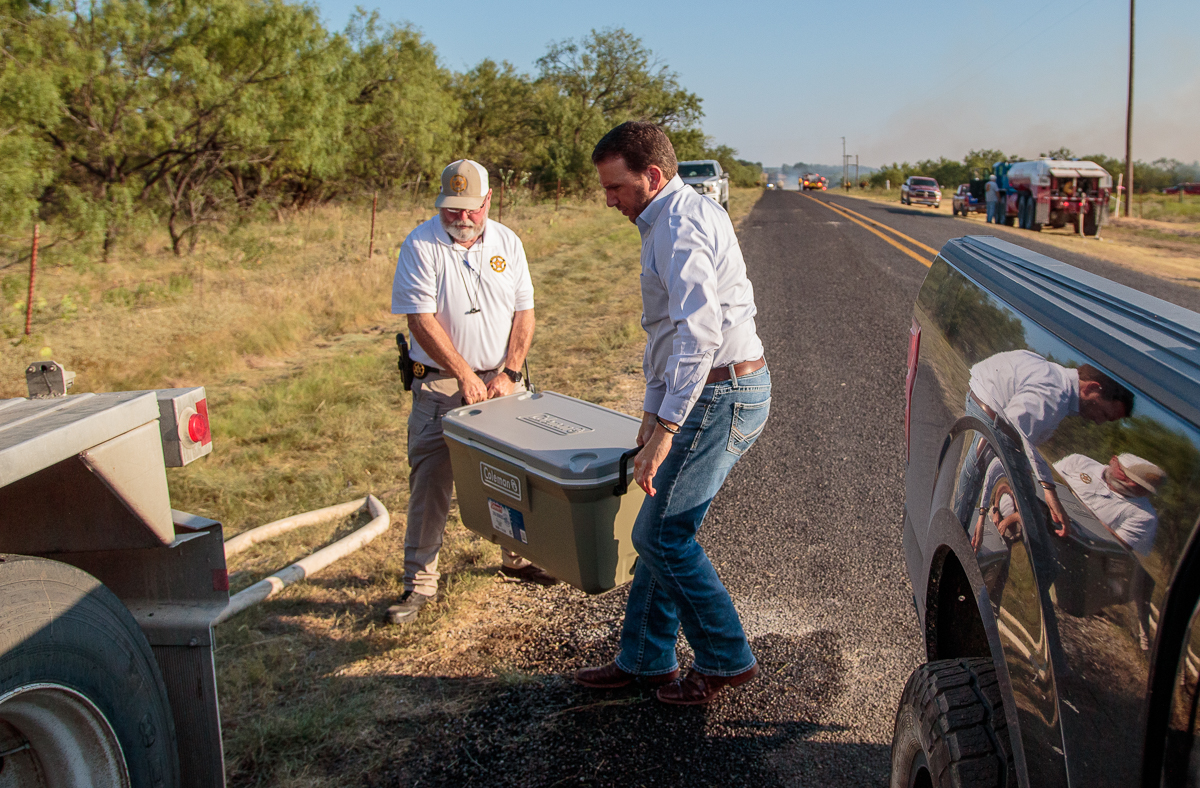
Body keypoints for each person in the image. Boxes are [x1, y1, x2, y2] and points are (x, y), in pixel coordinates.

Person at [574, 121, 770, 705]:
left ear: (652, 176)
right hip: (712, 389)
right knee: (660, 531)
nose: (608, 200)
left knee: (661, 537)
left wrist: (663, 429)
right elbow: (666, 330)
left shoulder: (679, 226)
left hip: (722, 393)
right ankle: (644, 661)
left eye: (615, 187)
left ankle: (724, 659)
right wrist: (650, 409)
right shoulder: (668, 216)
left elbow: (697, 337)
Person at [387, 159, 555, 626]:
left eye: (470, 210)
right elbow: (420, 318)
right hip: (441, 383)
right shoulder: (421, 244)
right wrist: (463, 374)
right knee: (431, 480)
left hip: (501, 380)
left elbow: (525, 312)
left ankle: (517, 557)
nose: (461, 219)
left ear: (487, 202)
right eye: (451, 210)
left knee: (510, 475)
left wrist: (510, 370)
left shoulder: (508, 242)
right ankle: (419, 583)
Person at [959, 350, 1134, 536]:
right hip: (987, 421)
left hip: (983, 413)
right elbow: (1012, 431)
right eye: (1104, 414)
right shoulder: (1056, 394)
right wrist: (1048, 489)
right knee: (958, 522)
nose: (1099, 421)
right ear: (1091, 388)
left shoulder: (1057, 382)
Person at [1055, 452, 1165, 650]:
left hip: (1078, 555)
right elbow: (1045, 481)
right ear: (1114, 461)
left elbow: (1115, 545)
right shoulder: (1079, 461)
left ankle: (1144, 638)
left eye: (1141, 486)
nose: (1132, 485)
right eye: (1128, 476)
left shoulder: (1144, 516)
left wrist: (1069, 510)